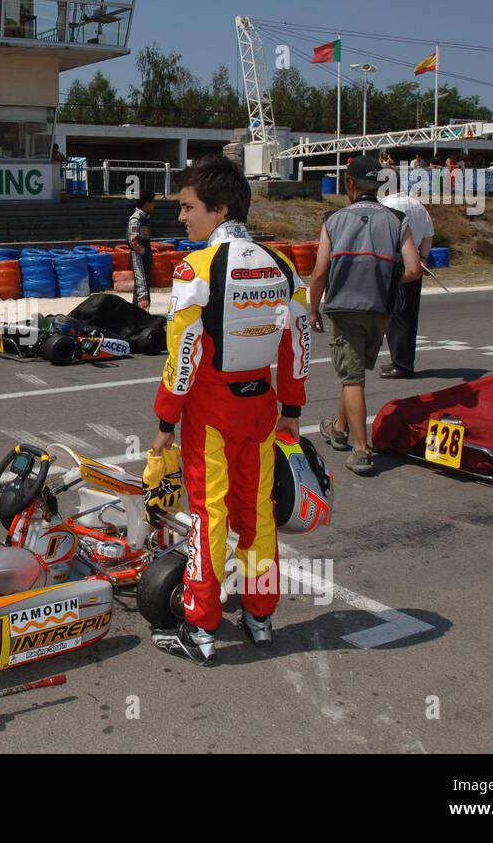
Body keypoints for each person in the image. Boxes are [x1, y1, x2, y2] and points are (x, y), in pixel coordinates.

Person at [148, 155, 311, 665]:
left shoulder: (195, 268)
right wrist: (292, 406)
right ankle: (260, 616)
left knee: (208, 516)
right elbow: (299, 340)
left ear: (218, 210)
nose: (181, 217)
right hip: (261, 410)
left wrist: (165, 420)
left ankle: (200, 628)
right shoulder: (282, 264)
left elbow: (183, 350)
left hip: (212, 415)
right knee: (258, 515)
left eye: (188, 207)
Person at [309, 155, 421, 476]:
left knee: (352, 377)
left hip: (345, 309)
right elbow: (413, 269)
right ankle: (339, 428)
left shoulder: (333, 219)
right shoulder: (397, 219)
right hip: (380, 310)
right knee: (354, 372)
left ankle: (361, 450)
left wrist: (313, 308)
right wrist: (386, 281)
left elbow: (320, 271)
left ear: (350, 183)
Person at [380, 194, 433, 379]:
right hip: (415, 262)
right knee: (408, 315)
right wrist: (423, 258)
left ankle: (402, 365)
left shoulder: (386, 204)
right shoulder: (418, 206)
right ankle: (400, 360)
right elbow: (428, 235)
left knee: (397, 317)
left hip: (397, 263)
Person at [126, 191, 156, 311]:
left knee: (143, 286)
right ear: (147, 203)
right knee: (142, 286)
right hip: (138, 258)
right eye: (153, 202)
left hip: (145, 258)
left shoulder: (144, 218)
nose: (154, 205)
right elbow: (132, 241)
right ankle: (144, 314)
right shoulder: (136, 219)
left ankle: (135, 314)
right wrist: (144, 253)